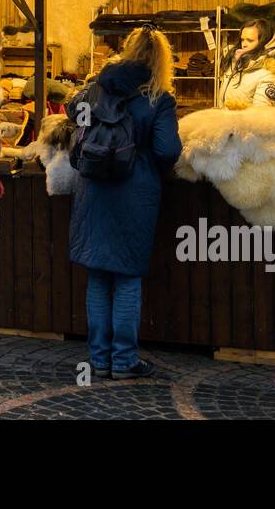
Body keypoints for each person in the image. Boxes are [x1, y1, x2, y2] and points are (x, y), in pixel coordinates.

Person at [66, 26, 182, 379]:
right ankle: (124, 361)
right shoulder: (158, 99)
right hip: (134, 194)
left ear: (127, 51)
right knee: (127, 277)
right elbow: (167, 150)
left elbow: (73, 112)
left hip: (93, 190)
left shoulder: (98, 87)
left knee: (99, 276)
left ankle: (99, 360)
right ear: (163, 61)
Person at [218, 18, 275, 108]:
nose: (244, 44)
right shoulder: (237, 64)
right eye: (242, 40)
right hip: (227, 121)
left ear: (264, 42)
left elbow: (261, 116)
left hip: (243, 122)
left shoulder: (271, 75)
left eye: (250, 40)